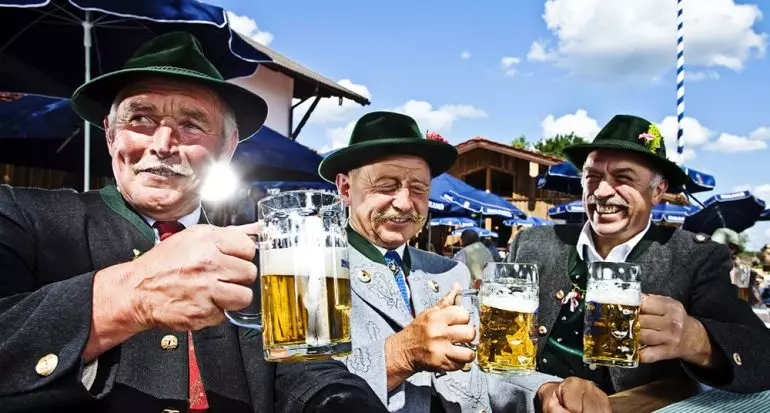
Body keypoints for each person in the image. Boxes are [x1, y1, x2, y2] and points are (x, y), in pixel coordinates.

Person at [0, 33, 385, 413]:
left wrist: (344, 400)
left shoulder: (260, 255)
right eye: (141, 118)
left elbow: (306, 367)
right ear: (111, 135)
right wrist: (129, 295)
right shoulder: (20, 216)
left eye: (191, 125)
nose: (163, 143)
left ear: (228, 147)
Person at [318, 111, 611, 413]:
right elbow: (297, 389)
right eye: (386, 186)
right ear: (345, 189)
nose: (405, 203)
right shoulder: (308, 273)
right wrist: (400, 355)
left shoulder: (450, 272)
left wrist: (546, 390)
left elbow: (486, 372)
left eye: (418, 188)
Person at [507, 114, 770, 394]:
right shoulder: (532, 243)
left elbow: (761, 355)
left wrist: (697, 340)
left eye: (623, 178)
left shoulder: (695, 257)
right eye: (593, 177)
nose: (603, 191)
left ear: (657, 191)